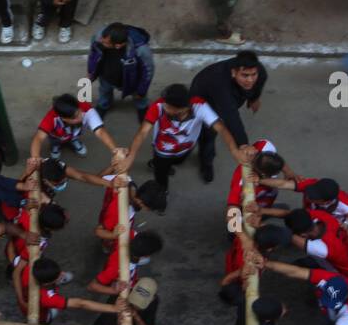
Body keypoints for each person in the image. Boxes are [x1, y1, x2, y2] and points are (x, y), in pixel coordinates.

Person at [124, 83, 253, 197]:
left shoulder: (200, 106)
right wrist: (131, 156)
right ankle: (163, 191)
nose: (164, 106)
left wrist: (234, 150)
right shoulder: (158, 106)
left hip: (185, 149)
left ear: (184, 108)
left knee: (178, 161)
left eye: (169, 106)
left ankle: (163, 165)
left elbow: (221, 128)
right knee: (161, 174)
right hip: (162, 151)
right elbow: (142, 132)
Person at [189, 51, 266, 182]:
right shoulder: (219, 84)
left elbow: (257, 85)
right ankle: (206, 162)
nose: (250, 80)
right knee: (208, 134)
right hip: (205, 101)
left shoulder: (260, 72)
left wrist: (254, 98)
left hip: (229, 99)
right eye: (245, 75)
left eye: (253, 75)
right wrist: (243, 145)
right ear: (233, 72)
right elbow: (231, 116)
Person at [283, 208, 348, 290]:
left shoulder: (320, 248)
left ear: (303, 235)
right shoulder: (323, 216)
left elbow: (287, 235)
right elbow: (299, 216)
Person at [86, 22, 155, 124]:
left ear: (118, 45)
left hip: (131, 81)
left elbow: (148, 71)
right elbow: (93, 54)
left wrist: (141, 91)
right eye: (102, 38)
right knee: (104, 91)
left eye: (106, 43)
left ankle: (142, 108)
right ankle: (103, 105)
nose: (101, 41)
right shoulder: (99, 37)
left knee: (139, 97)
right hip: (105, 76)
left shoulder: (141, 49)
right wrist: (91, 71)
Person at [29, 93, 121, 161]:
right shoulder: (51, 117)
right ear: (63, 118)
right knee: (55, 141)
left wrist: (115, 151)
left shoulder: (86, 109)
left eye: (79, 112)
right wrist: (35, 160)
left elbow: (101, 132)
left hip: (75, 133)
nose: (81, 116)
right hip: (56, 136)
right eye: (75, 117)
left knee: (74, 135)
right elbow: (39, 138)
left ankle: (73, 140)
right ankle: (56, 145)